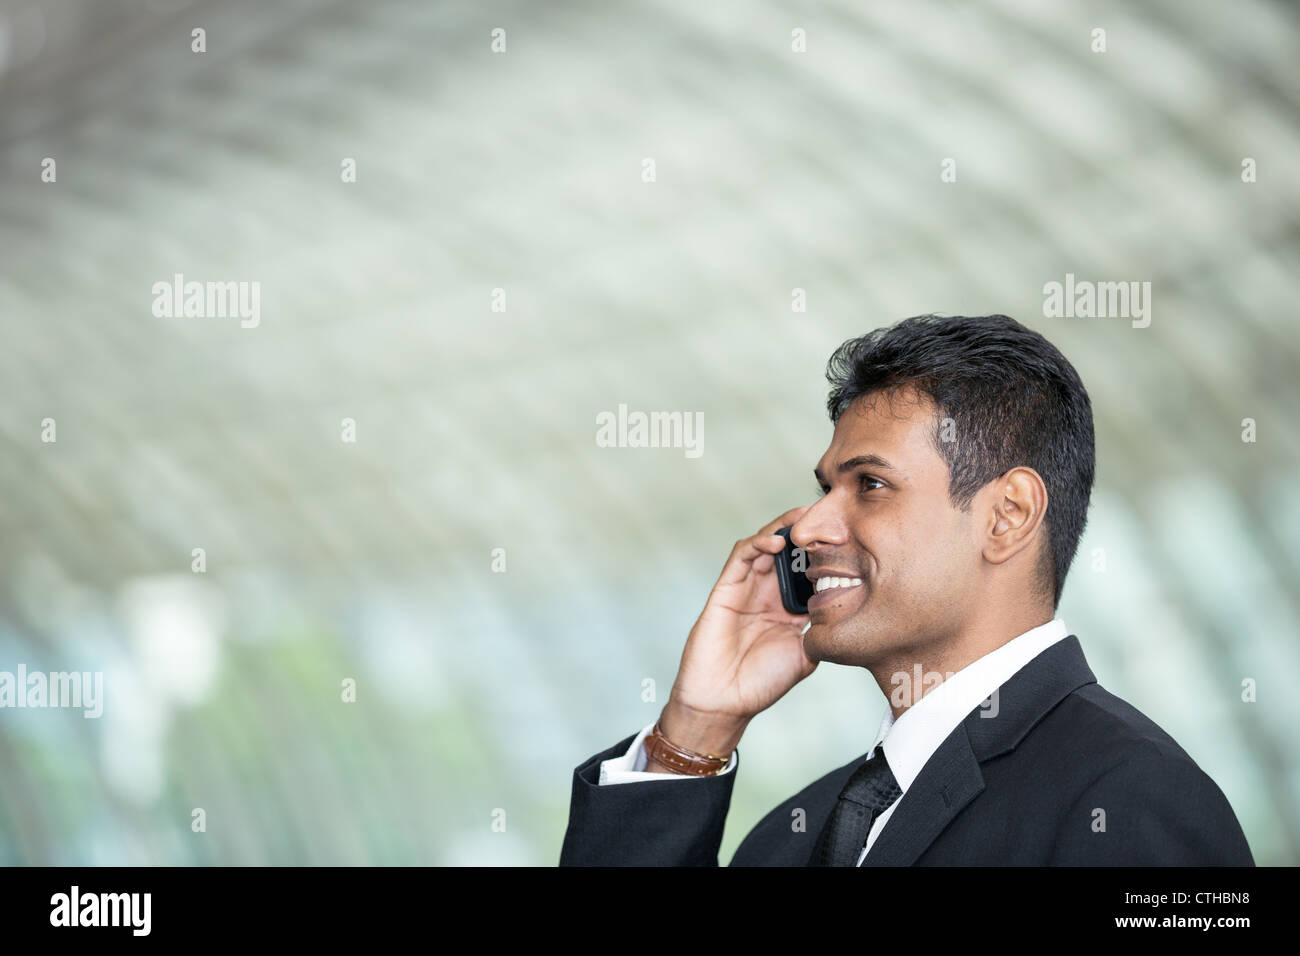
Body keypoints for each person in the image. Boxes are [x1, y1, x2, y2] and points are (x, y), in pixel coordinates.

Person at [558, 313, 1254, 866]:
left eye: (871, 484)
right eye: (824, 487)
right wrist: (695, 729)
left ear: (1007, 516)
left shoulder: (1133, 801)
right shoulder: (788, 838)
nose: (808, 528)